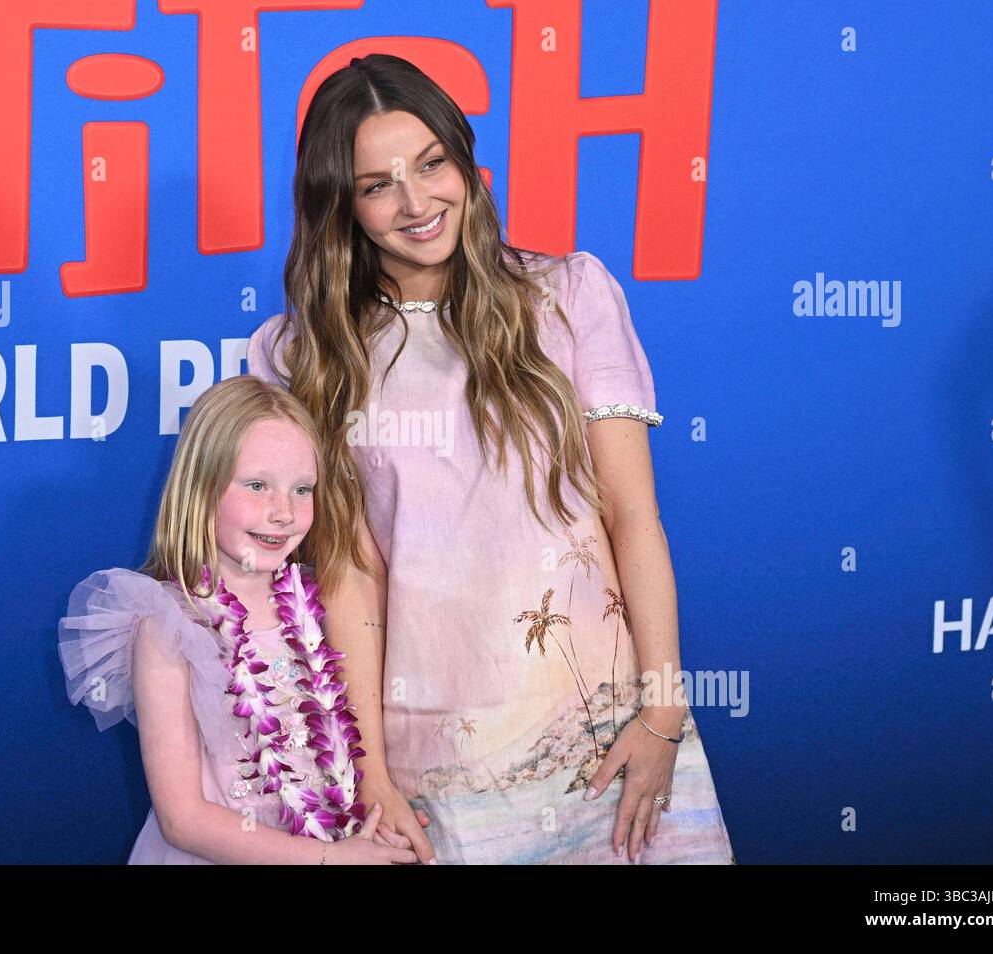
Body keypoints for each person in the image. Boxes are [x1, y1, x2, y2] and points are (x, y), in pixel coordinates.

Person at [244, 54, 736, 864]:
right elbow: (351, 573)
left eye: (432, 164)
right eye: (377, 185)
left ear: (465, 161)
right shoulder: (304, 356)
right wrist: (369, 773)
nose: (416, 203)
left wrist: (662, 711)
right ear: (341, 205)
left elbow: (634, 518)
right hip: (437, 770)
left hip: (611, 743)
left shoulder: (568, 297)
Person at [56, 375, 418, 863]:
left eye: (302, 489)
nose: (284, 512)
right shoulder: (168, 624)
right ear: (202, 487)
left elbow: (330, 757)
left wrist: (366, 832)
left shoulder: (319, 606)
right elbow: (182, 819)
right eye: (257, 485)